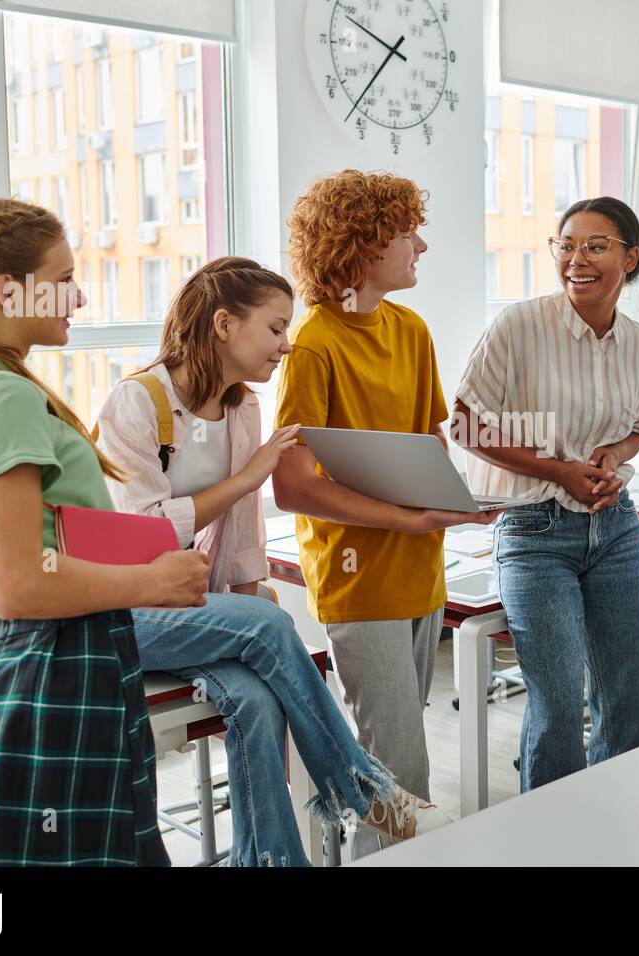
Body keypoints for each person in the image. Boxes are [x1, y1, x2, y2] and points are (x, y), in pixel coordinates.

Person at [95, 256, 448, 865]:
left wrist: (250, 583)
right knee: (271, 624)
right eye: (276, 328)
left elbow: (239, 525)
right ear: (225, 324)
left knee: (256, 703)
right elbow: (144, 533)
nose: (287, 346)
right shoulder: (136, 402)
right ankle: (366, 789)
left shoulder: (242, 407)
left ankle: (274, 859)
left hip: (191, 600)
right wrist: (249, 477)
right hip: (122, 606)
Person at [0, 196, 204, 865]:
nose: (78, 294)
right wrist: (153, 577)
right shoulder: (2, 395)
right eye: (64, 277)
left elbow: (35, 550)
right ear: (5, 290)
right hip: (60, 672)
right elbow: (14, 580)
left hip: (52, 670)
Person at [272, 169, 492, 855]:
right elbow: (291, 485)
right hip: (360, 581)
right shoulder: (312, 343)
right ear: (361, 244)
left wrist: (449, 501)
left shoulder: (411, 328)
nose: (421, 245)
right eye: (405, 234)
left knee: (395, 765)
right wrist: (405, 518)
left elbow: (429, 440)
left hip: (423, 571)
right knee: (398, 779)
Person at [454, 196, 639, 791]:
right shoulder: (519, 325)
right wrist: (558, 469)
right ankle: (550, 841)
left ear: (630, 256)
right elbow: (464, 423)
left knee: (626, 692)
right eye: (566, 245)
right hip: (535, 531)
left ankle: (622, 822)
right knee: (558, 698)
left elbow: (636, 430)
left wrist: (611, 457)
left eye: (596, 245)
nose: (577, 258)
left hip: (615, 526)